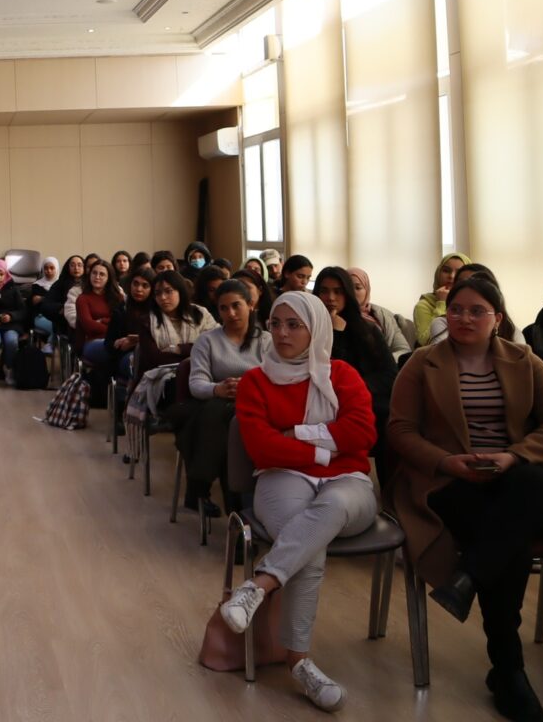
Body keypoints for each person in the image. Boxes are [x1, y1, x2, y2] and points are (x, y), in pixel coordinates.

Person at [388, 276, 543, 722]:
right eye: (456, 310)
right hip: (447, 481)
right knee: (507, 542)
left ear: (497, 319)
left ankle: (468, 578)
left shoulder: (523, 359)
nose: (464, 318)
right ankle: (508, 672)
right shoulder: (422, 362)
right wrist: (447, 462)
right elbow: (399, 430)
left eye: (476, 311)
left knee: (537, 486)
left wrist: (514, 455)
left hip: (513, 476)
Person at [219, 291, 378, 714]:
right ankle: (299, 662)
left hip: (347, 482)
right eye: (276, 324)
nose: (282, 333)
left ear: (317, 329)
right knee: (309, 545)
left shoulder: (341, 374)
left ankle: (258, 586)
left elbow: (364, 433)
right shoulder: (256, 381)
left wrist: (299, 435)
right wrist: (326, 449)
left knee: (331, 508)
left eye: (294, 325)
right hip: (281, 477)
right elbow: (263, 448)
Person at [170, 280, 271, 518]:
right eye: (223, 308)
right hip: (215, 405)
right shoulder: (207, 341)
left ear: (250, 305)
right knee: (227, 423)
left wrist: (247, 387)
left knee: (229, 422)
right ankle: (239, 513)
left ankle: (199, 486)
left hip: (255, 406)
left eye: (236, 306)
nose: (230, 313)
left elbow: (274, 378)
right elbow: (196, 383)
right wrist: (218, 389)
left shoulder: (266, 340)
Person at [314, 267, 396, 472]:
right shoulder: (307, 330)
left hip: (362, 398)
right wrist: (334, 333)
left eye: (338, 291)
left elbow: (389, 375)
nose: (330, 298)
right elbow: (326, 373)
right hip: (321, 400)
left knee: (388, 419)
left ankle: (388, 490)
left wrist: (357, 388)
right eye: (324, 291)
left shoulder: (367, 330)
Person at [138, 271, 214, 377]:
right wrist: (194, 354)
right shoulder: (147, 321)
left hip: (203, 371)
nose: (163, 297)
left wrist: (180, 349)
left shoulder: (200, 313)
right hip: (161, 377)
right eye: (158, 293)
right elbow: (155, 359)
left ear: (180, 291)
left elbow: (213, 346)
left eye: (168, 291)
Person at [346, 267, 410, 361]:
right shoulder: (338, 317)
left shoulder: (385, 315)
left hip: (391, 366)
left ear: (367, 290)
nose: (352, 292)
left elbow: (404, 350)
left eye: (358, 288)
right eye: (348, 287)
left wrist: (386, 361)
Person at [76, 261, 121, 371]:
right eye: (94, 273)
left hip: (116, 340)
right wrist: (112, 327)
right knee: (115, 349)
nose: (97, 277)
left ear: (109, 278)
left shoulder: (118, 297)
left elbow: (122, 322)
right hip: (92, 342)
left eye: (102, 274)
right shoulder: (82, 299)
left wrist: (102, 321)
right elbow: (89, 326)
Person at [414, 252, 472, 340]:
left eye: (458, 272)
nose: (451, 276)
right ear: (438, 274)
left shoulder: (473, 304)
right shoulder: (424, 305)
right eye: (446, 271)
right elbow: (425, 341)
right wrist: (442, 304)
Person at [29, 257, 63, 349]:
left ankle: (50, 345)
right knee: (57, 327)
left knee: (61, 325)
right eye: (46, 268)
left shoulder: (61, 285)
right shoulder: (37, 285)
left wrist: (43, 298)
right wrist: (49, 299)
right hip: (40, 317)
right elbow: (34, 302)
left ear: (57, 269)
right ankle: (50, 345)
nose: (48, 271)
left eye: (52, 268)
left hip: (57, 317)